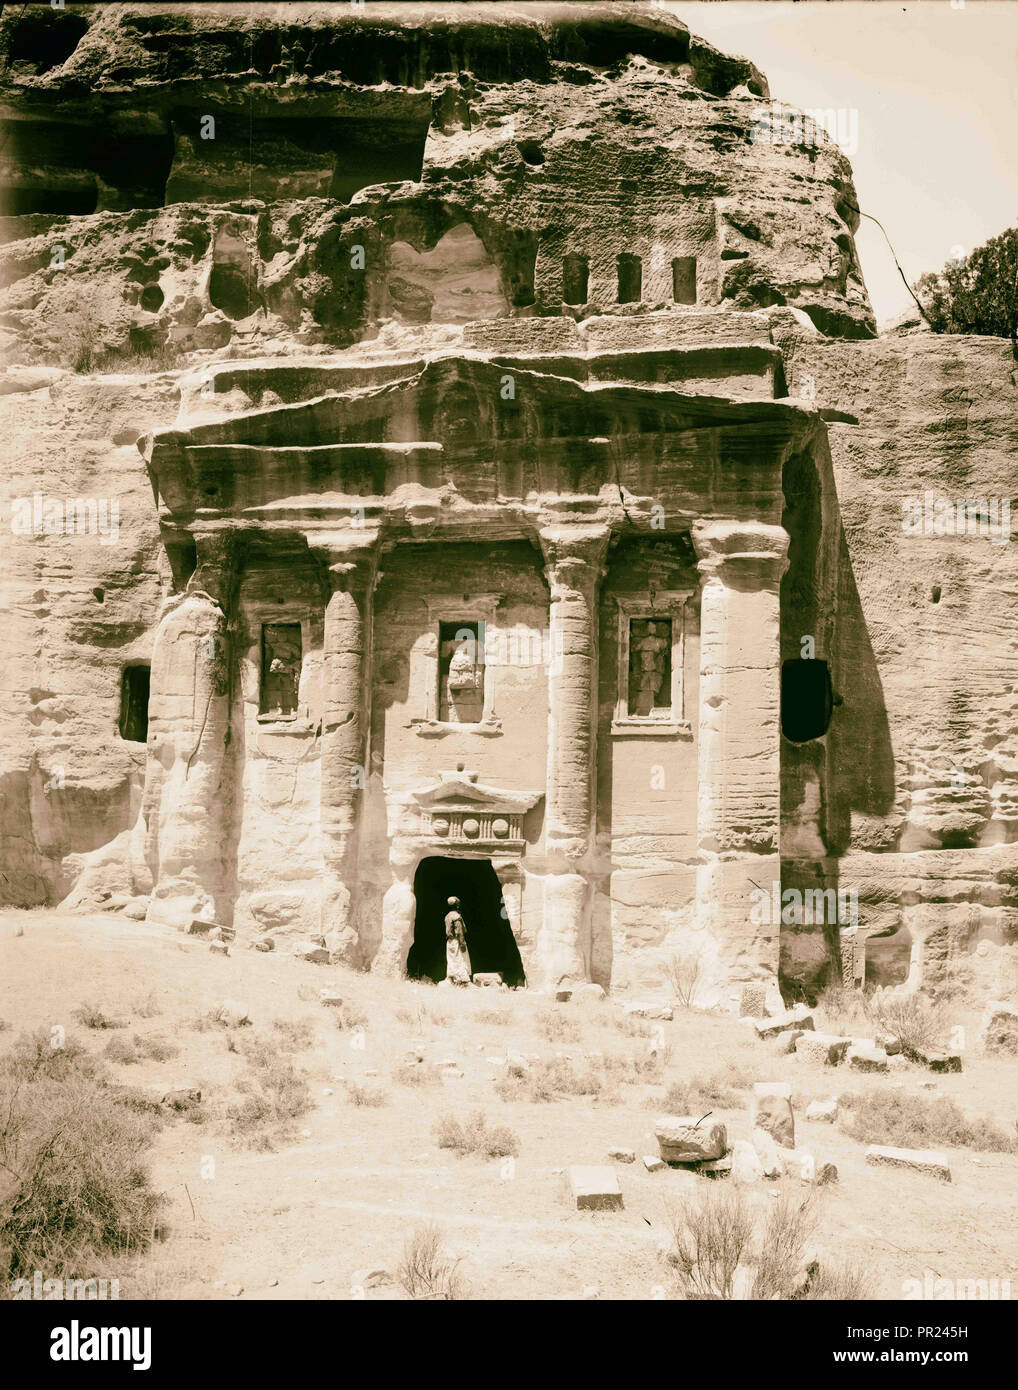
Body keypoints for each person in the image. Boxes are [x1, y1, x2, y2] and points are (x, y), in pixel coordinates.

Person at [444, 896, 472, 985]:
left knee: (451, 960)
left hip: (449, 942)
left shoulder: (447, 916)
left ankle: (452, 978)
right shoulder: (457, 917)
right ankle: (464, 980)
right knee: (461, 959)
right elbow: (459, 932)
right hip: (456, 941)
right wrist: (462, 943)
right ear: (457, 906)